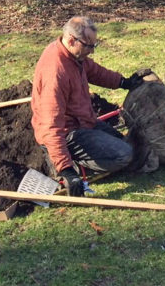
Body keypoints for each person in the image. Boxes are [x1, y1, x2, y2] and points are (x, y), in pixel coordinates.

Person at [30, 15, 145, 196]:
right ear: (71, 39)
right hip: (67, 133)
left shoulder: (73, 56)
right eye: (88, 46)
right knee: (124, 155)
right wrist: (66, 170)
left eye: (94, 46)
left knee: (125, 143)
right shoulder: (56, 73)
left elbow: (93, 70)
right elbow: (51, 126)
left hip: (84, 121)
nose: (91, 51)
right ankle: (70, 163)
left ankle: (78, 158)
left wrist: (123, 82)